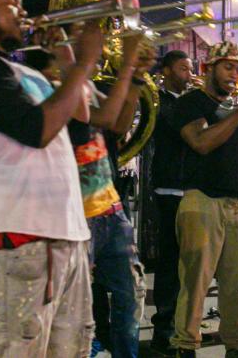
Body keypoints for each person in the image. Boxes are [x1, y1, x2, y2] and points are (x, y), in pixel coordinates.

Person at [0, 0, 104, 357]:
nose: (21, 12)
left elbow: (80, 111)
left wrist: (67, 52)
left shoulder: (25, 71)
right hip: (18, 236)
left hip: (65, 233)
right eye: (10, 3)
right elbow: (37, 129)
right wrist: (84, 62)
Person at [170, 42, 238, 357]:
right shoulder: (192, 102)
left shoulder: (235, 108)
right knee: (195, 285)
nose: (235, 74)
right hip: (204, 201)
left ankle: (236, 346)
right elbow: (201, 142)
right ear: (209, 68)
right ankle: (186, 346)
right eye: (228, 67)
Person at [70, 32, 149, 358]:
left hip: (110, 207)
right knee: (79, 302)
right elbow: (100, 119)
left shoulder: (94, 87)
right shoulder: (59, 89)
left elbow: (117, 126)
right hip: (74, 212)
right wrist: (128, 66)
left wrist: (133, 81)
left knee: (127, 296)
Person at [148, 50, 196, 354]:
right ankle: (163, 329)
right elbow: (176, 128)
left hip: (193, 188)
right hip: (168, 188)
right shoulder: (158, 101)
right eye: (182, 69)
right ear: (165, 71)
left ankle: (184, 324)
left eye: (190, 69)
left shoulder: (190, 101)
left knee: (192, 264)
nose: (189, 74)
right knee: (169, 264)